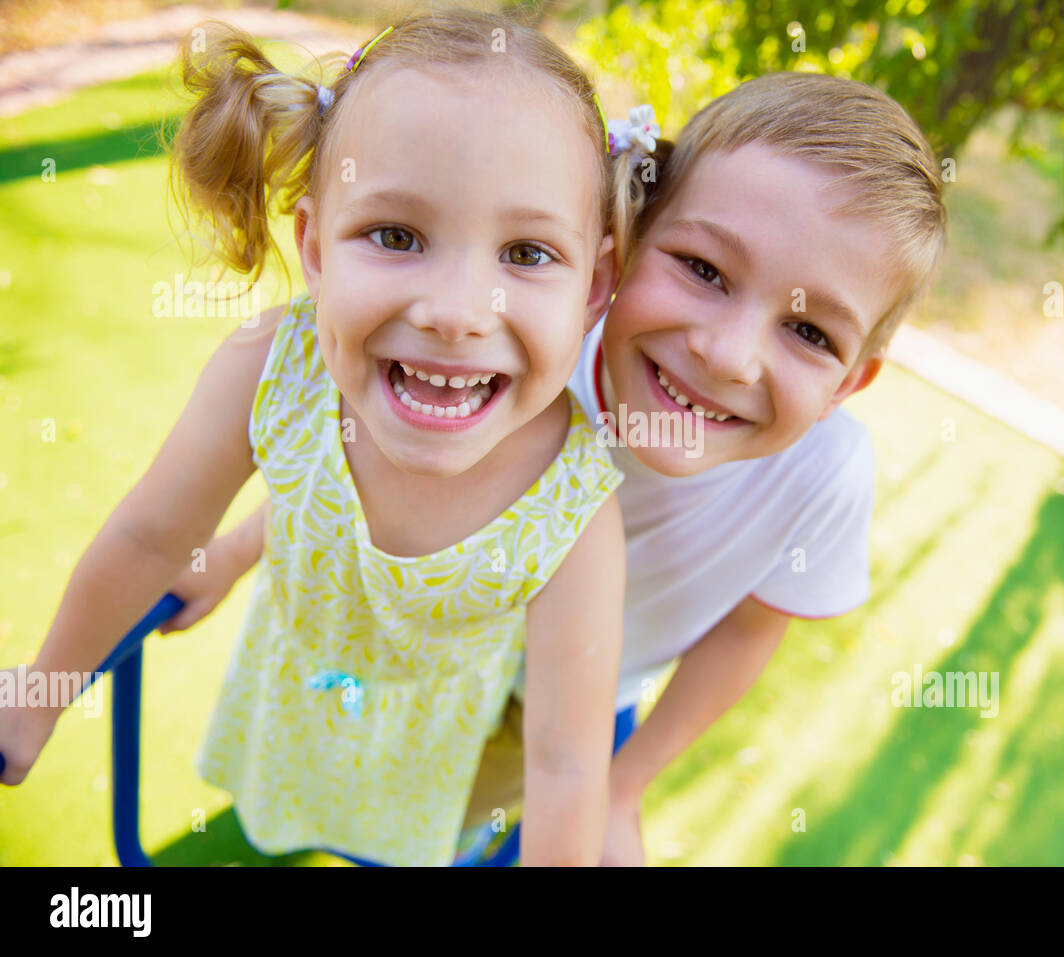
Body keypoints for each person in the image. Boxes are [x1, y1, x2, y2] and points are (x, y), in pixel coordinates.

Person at [159, 72, 947, 865]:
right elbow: (381, 472)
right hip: (422, 650)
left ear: (849, 382)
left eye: (809, 333)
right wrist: (232, 549)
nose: (727, 354)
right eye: (704, 269)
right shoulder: (525, 357)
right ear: (625, 241)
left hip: (556, 708)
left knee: (436, 836)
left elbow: (747, 631)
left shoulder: (824, 477)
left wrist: (624, 787)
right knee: (329, 785)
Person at [0, 10, 630, 868]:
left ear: (593, 288)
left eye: (525, 252)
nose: (454, 312)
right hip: (286, 707)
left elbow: (564, 761)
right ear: (316, 248)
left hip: (424, 769)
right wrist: (39, 696)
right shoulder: (273, 369)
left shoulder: (574, 508)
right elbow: (152, 536)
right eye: (396, 236)